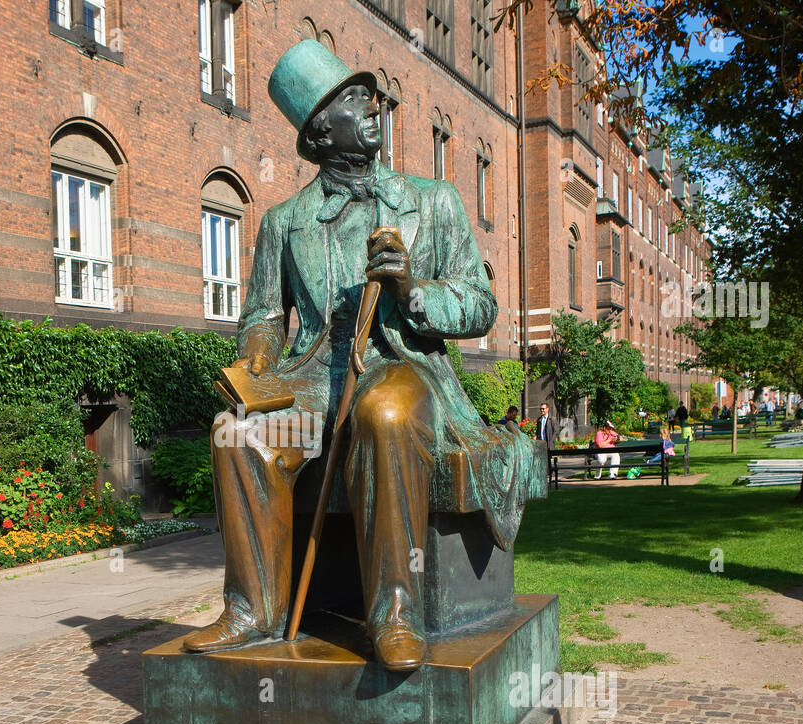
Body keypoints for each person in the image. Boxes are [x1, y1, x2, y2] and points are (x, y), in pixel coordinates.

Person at [178, 39, 546, 672]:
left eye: (370, 96)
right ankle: (253, 611)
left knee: (387, 414)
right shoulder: (285, 222)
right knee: (238, 433)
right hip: (311, 389)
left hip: (403, 371)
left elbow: (480, 306)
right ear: (321, 131)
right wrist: (257, 362)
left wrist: (412, 290)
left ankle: (394, 614)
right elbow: (263, 314)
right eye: (354, 99)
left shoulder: (432, 203)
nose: (373, 106)